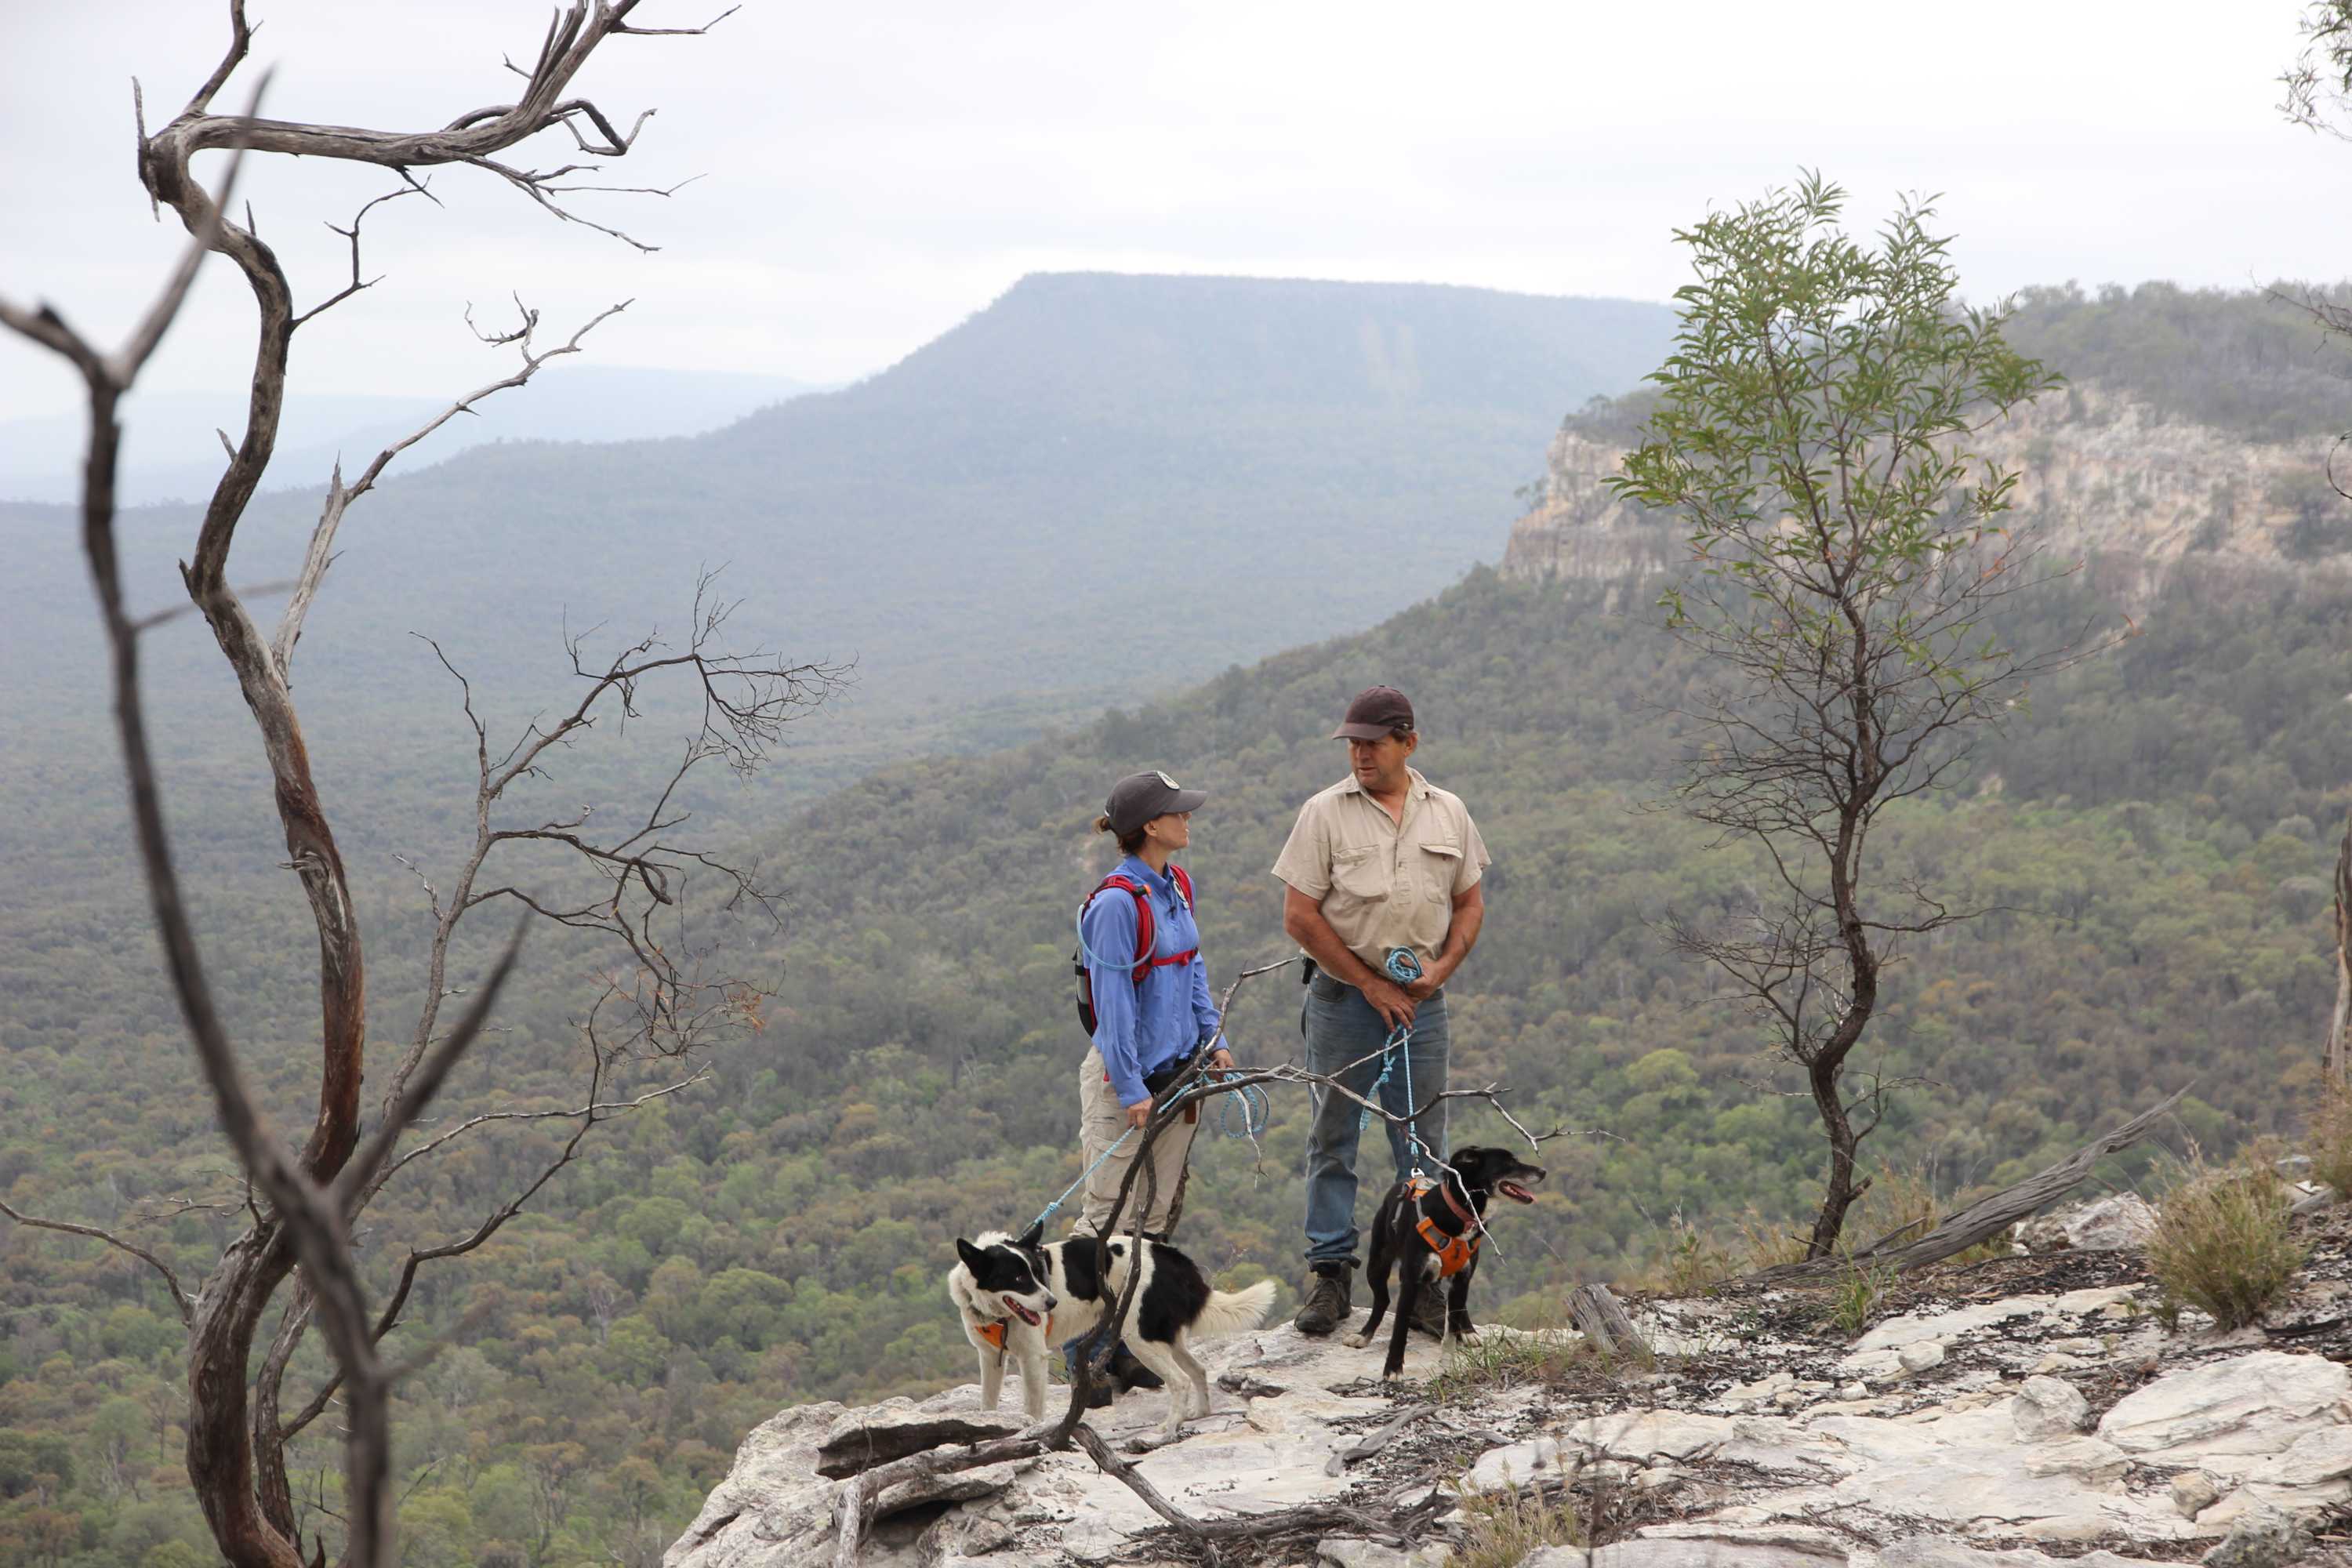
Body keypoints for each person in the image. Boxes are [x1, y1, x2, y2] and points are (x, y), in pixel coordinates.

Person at [1271, 686, 1490, 1338]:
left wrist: (1439, 972)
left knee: (1422, 1143)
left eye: (1374, 742)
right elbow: (1299, 917)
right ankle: (1330, 1277)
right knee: (1333, 1137)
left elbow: (1471, 904)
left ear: (1408, 743)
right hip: (1344, 1003)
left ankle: (1423, 1285)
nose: (1361, 754)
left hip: (1423, 1007)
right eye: (1354, 743)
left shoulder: (1448, 811)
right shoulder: (1324, 813)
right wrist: (1370, 985)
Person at [1069, 769, 1232, 1396]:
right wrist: (1132, 1088)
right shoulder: (1116, 904)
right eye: (1178, 812)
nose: (1188, 819)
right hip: (1126, 1081)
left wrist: (1211, 1038)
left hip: (1178, 1074)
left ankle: (1124, 1347)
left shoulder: (1175, 885)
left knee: (1153, 1222)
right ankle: (1084, 1362)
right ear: (1149, 828)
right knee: (1107, 1220)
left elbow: (1192, 968)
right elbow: (1112, 1005)